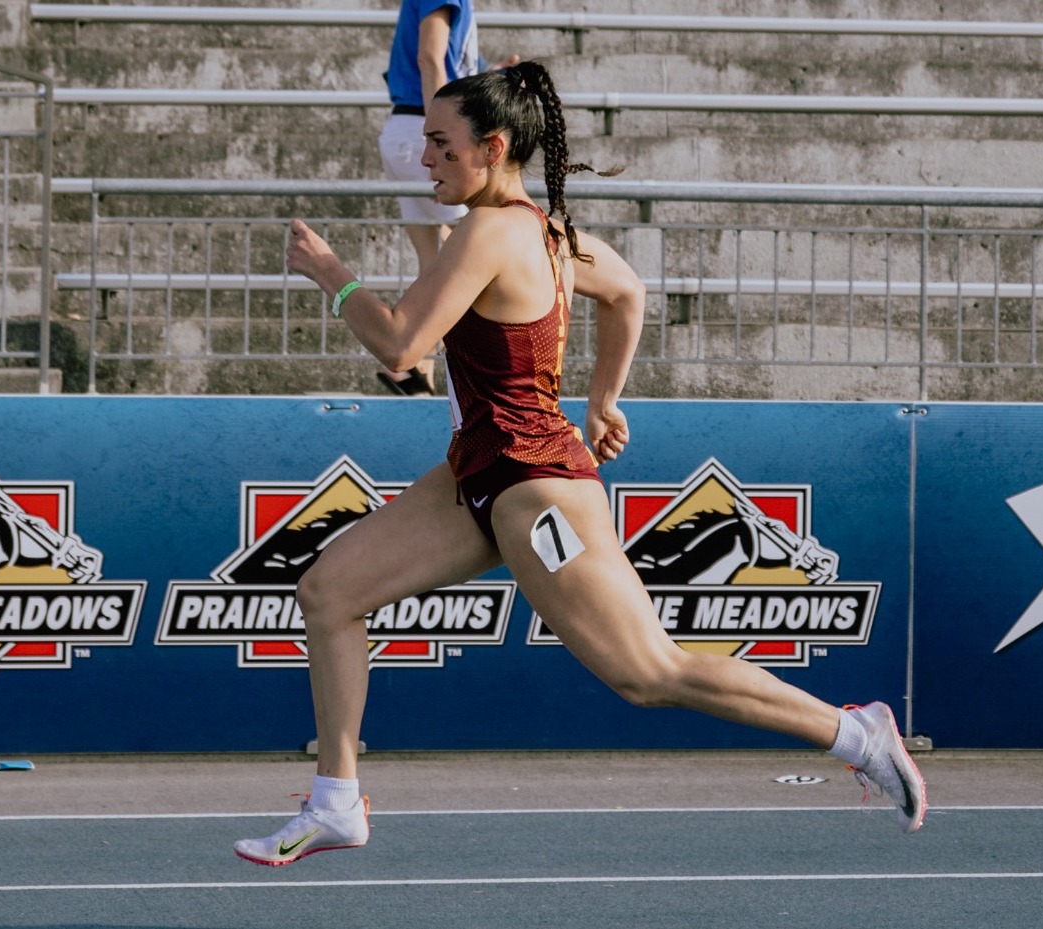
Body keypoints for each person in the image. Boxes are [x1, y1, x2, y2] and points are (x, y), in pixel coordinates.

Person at [234, 61, 927, 868]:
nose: (425, 160)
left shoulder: (492, 231)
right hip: (479, 476)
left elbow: (399, 342)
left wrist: (330, 273)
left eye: (440, 144)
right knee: (329, 589)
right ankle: (336, 801)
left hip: (534, 486)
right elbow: (628, 290)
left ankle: (857, 732)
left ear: (492, 148)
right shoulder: (545, 231)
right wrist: (604, 401)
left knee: (648, 671)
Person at [376, 0, 516, 396]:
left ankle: (418, 372)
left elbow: (440, 65)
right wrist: (445, 136)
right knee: (468, 258)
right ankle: (424, 363)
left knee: (436, 260)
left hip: (406, 129)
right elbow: (429, 56)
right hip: (422, 127)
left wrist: (486, 80)